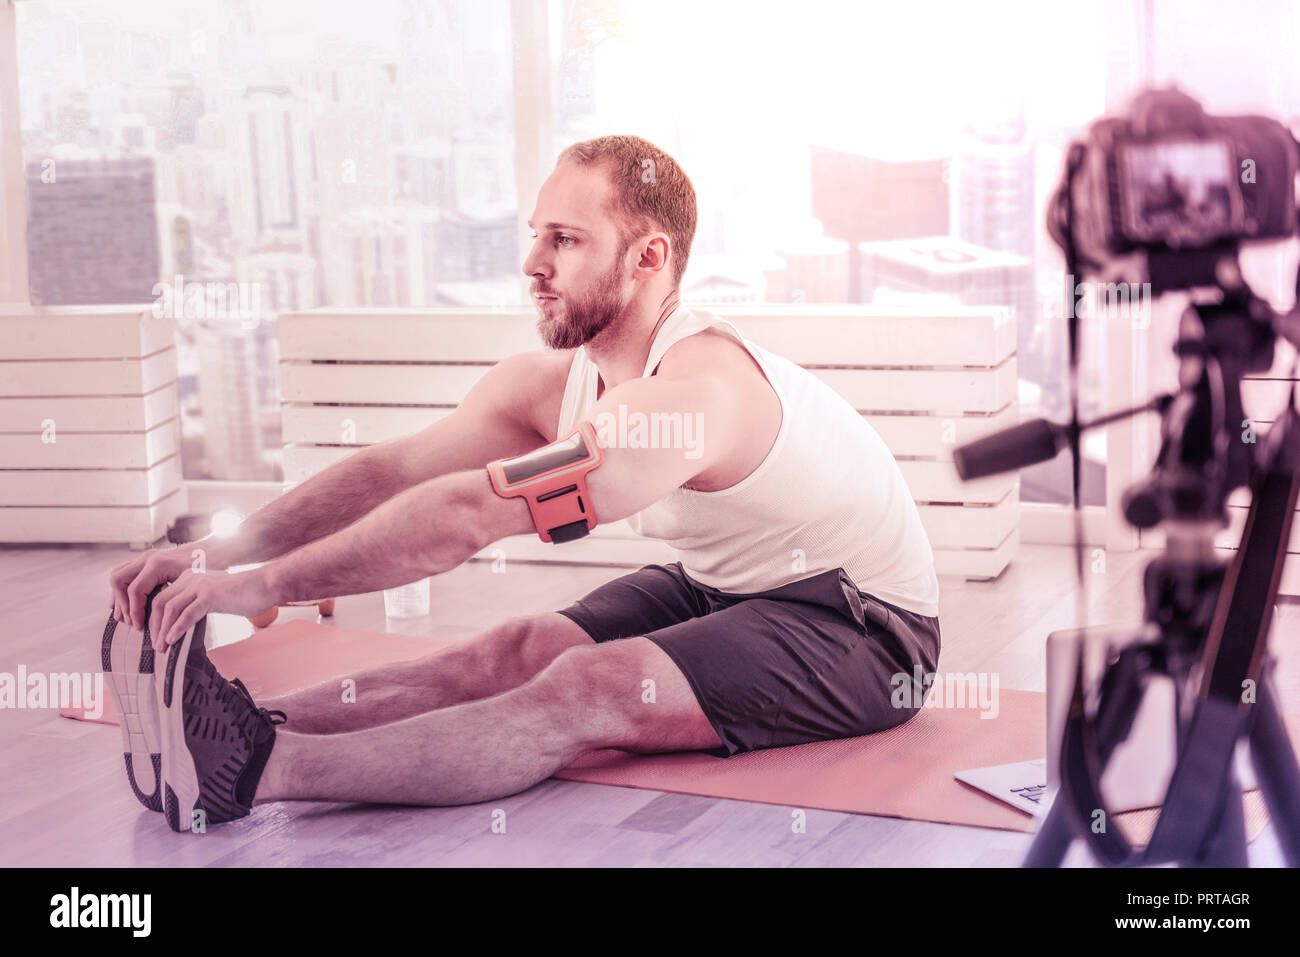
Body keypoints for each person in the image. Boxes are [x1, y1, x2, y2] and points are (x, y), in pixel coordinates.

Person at [106, 134, 941, 831]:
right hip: (729, 583)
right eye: (537, 233)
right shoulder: (549, 386)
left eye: (565, 240)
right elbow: (393, 471)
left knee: (588, 687)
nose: (532, 263)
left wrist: (261, 587)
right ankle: (231, 722)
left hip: (861, 626)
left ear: (649, 256)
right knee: (515, 648)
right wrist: (214, 554)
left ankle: (250, 769)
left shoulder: (693, 396)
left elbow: (472, 514)